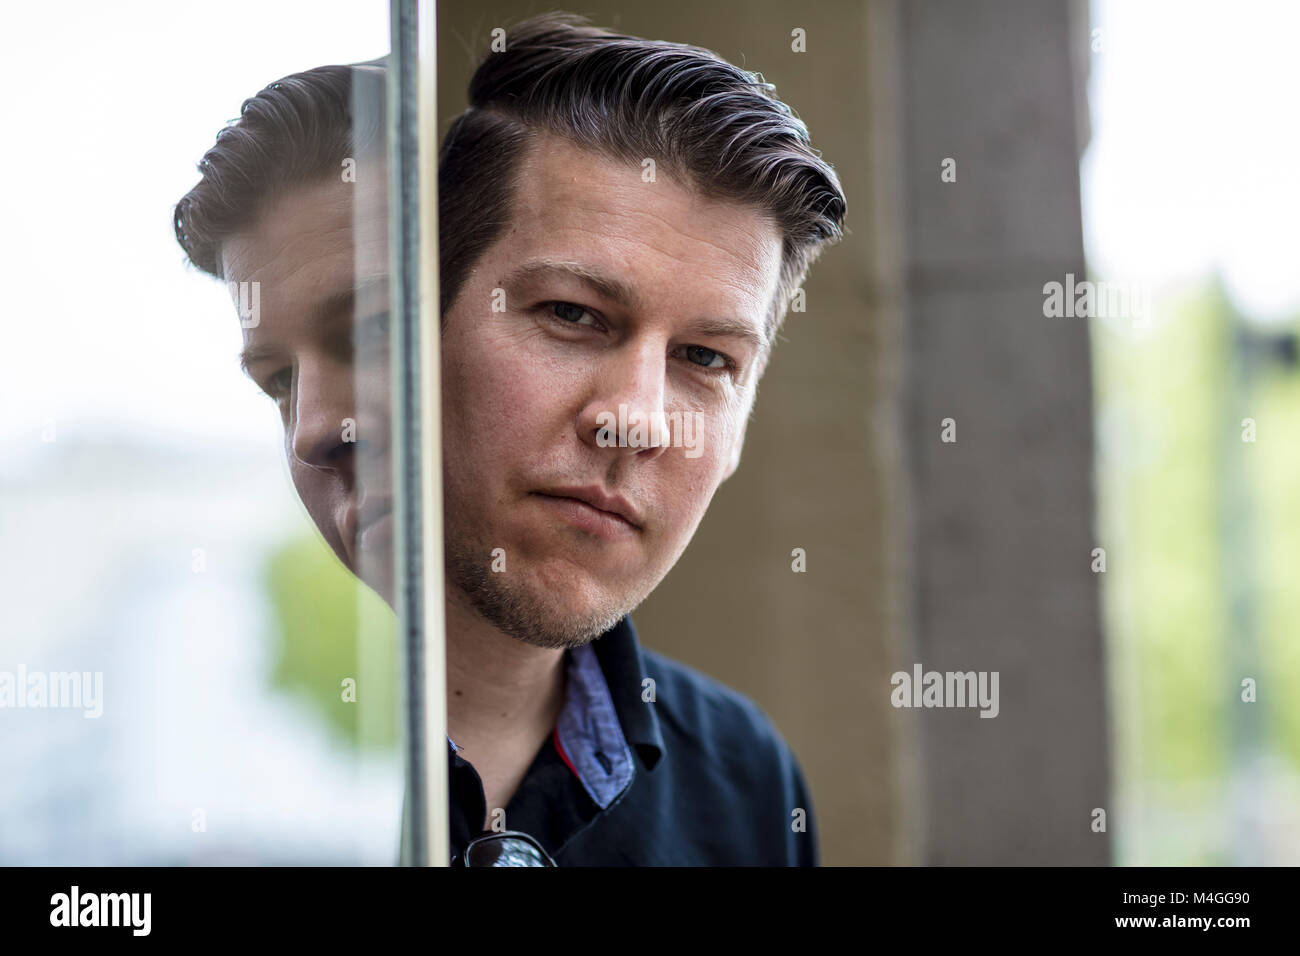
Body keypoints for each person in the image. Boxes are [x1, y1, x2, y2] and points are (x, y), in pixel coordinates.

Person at [173, 11, 846, 865]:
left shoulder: (746, 784)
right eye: (571, 314)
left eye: (707, 358)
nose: (634, 418)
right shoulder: (202, 798)